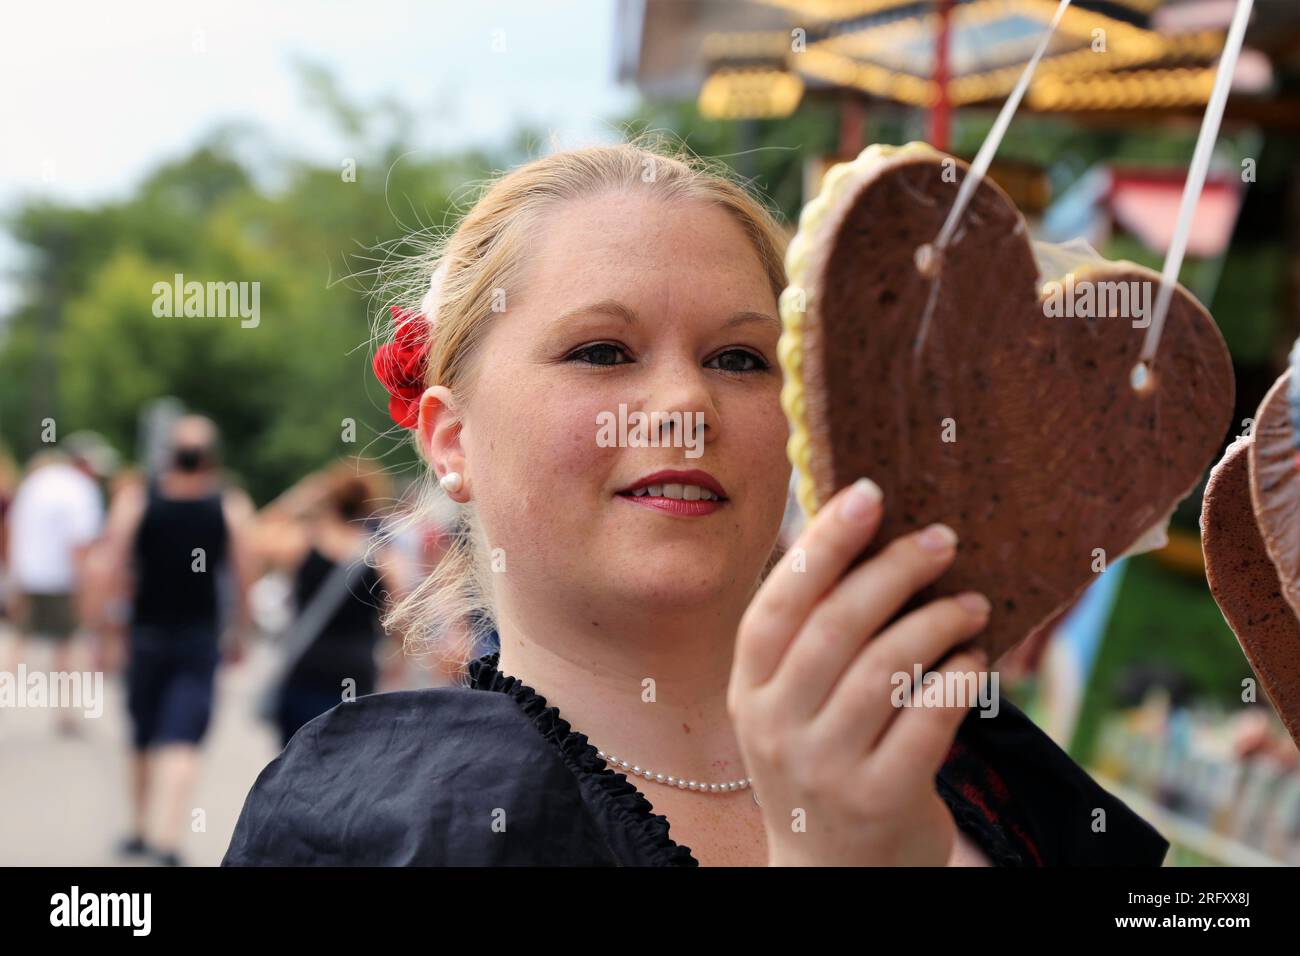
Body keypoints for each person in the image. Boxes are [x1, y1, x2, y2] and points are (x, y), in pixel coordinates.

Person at [223, 138, 1170, 866]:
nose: (686, 406)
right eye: (601, 351)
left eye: (740, 360)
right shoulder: (370, 822)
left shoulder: (973, 756)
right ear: (451, 439)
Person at [95, 414, 255, 866]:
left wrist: (106, 630)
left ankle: (140, 829)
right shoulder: (228, 504)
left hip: (146, 633)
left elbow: (111, 564)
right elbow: (244, 573)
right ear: (210, 458)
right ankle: (167, 838)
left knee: (143, 734)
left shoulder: (138, 500)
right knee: (181, 737)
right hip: (198, 636)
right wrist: (242, 630)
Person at [270, 459, 406, 747]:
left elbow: (258, 534)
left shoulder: (302, 546)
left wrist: (302, 497)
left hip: (305, 665)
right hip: (355, 670)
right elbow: (401, 619)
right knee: (343, 765)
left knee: (295, 757)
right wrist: (398, 662)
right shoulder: (383, 559)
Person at [3, 441, 107, 734]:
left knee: (18, 641)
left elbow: (12, 529)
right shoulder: (80, 490)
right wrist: (87, 587)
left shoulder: (35, 481)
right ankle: (67, 712)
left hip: (28, 573)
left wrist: (13, 573)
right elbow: (81, 544)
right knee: (69, 644)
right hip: (61, 578)